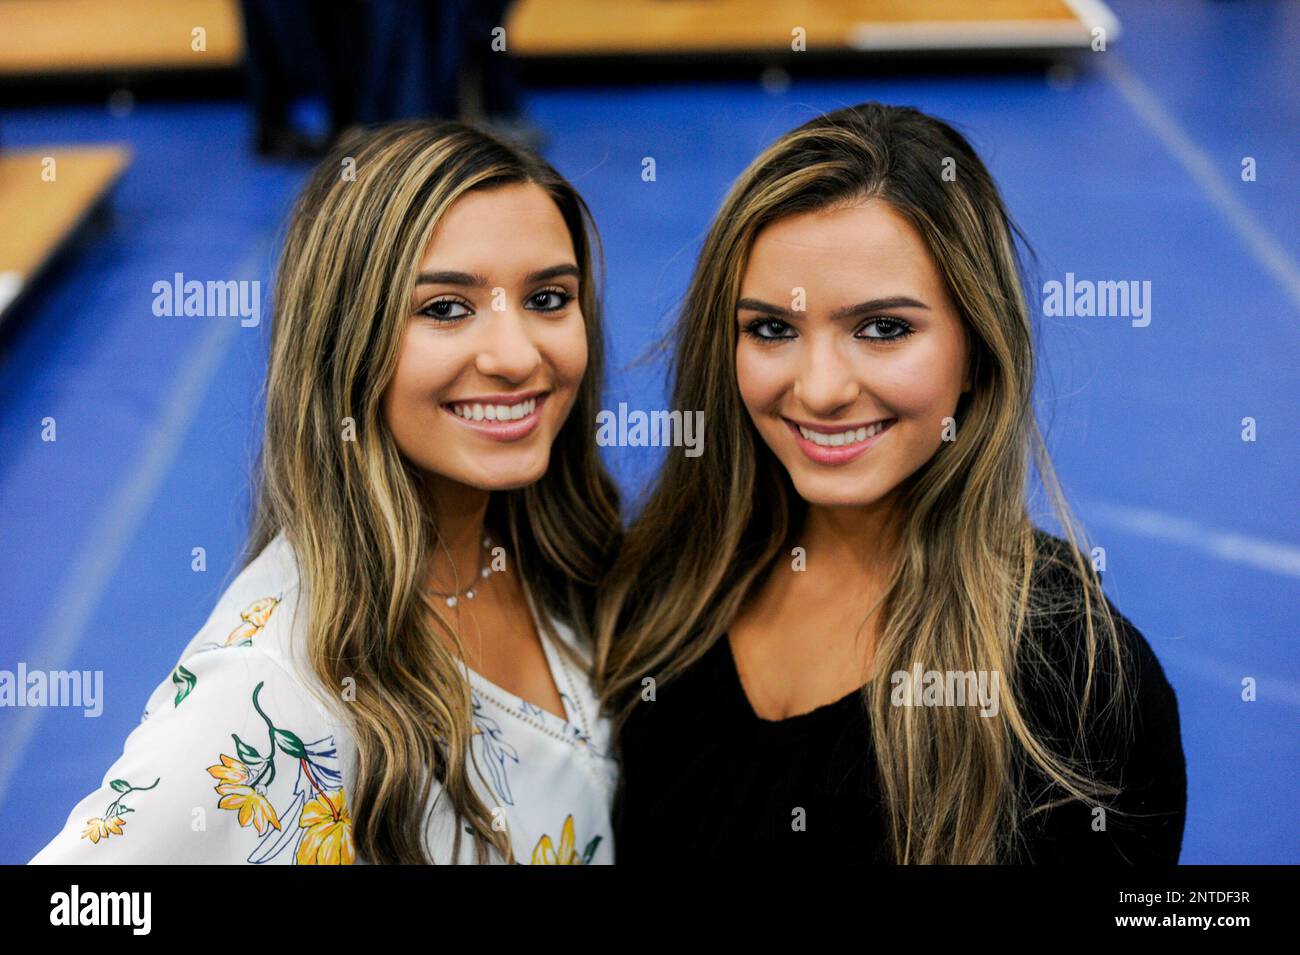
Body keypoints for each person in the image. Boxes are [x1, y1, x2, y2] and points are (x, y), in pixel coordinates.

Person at [597, 102, 1186, 864]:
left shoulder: (1071, 682)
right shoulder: (657, 591)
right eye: (772, 328)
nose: (819, 389)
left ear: (976, 347)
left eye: (883, 329)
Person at [30, 120, 621, 864]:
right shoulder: (267, 692)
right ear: (345, 340)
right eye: (445, 308)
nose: (516, 355)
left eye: (547, 298)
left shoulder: (559, 549)